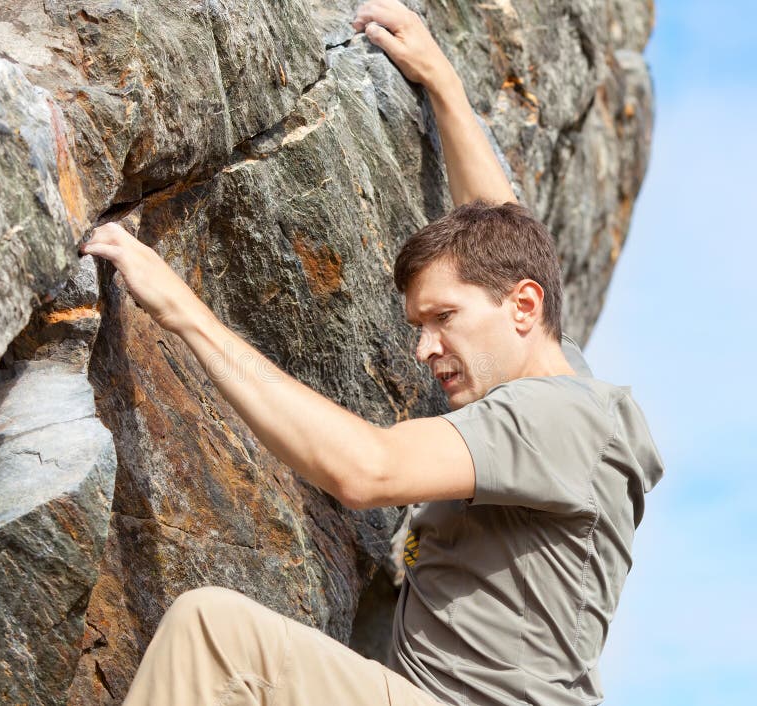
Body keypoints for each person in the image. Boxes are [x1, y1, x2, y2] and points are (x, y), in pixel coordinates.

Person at [81, 2, 664, 705]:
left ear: (524, 307)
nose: (425, 347)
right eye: (419, 323)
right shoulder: (566, 387)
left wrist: (184, 313)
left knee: (214, 637)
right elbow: (505, 236)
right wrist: (444, 85)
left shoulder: (553, 418)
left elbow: (365, 469)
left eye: (442, 318)